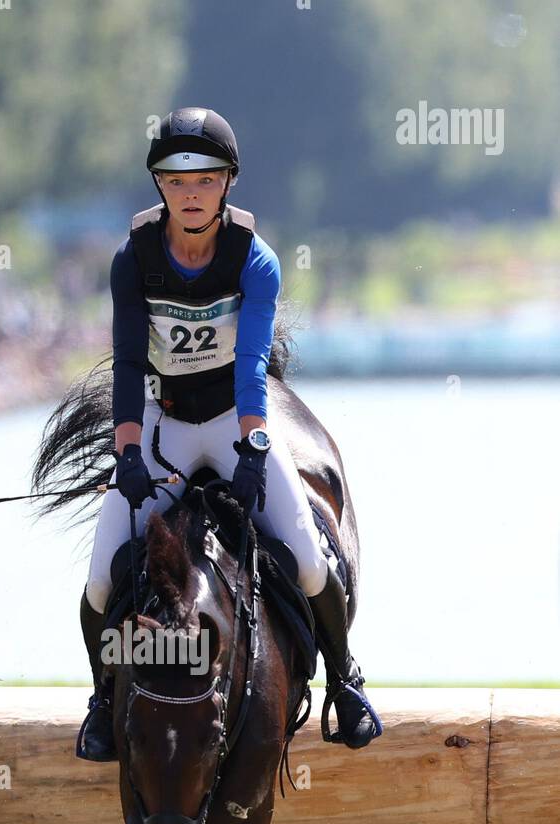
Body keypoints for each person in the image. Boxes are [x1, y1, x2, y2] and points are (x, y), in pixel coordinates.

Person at [77, 106, 381, 760]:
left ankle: (345, 680)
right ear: (159, 185)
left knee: (305, 556)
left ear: (228, 183)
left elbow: (251, 367)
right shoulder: (132, 259)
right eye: (177, 182)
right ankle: (103, 702)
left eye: (205, 181)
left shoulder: (256, 260)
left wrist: (254, 445)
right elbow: (130, 360)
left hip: (235, 419)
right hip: (166, 428)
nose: (191, 195)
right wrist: (126, 449)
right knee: (102, 579)